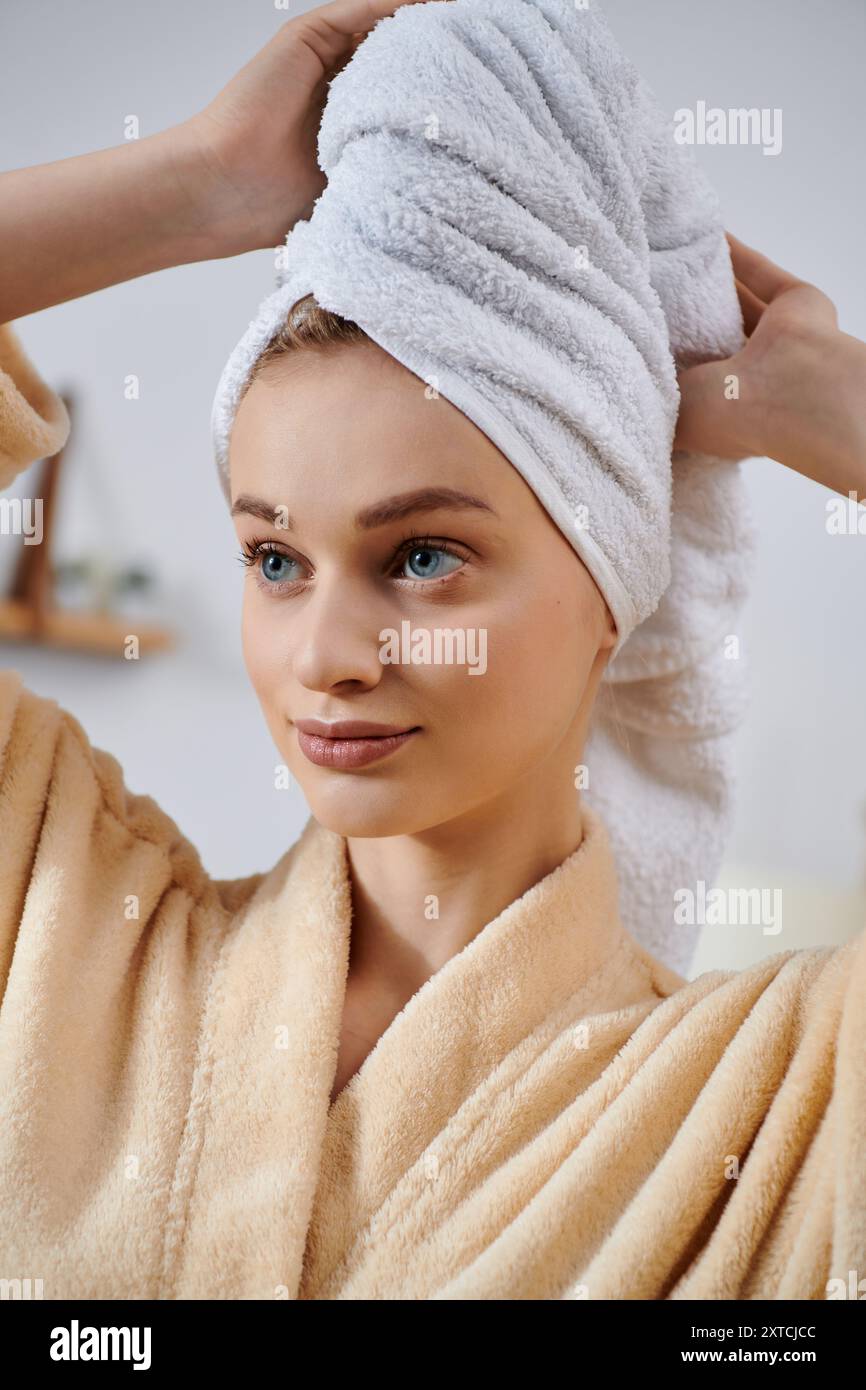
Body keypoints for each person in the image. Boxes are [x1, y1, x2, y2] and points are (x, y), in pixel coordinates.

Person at [0, 0, 864, 1301]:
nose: (327, 655)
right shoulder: (58, 918)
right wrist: (195, 184)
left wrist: (835, 412)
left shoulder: (774, 1098)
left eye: (419, 556)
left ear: (607, 586)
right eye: (274, 560)